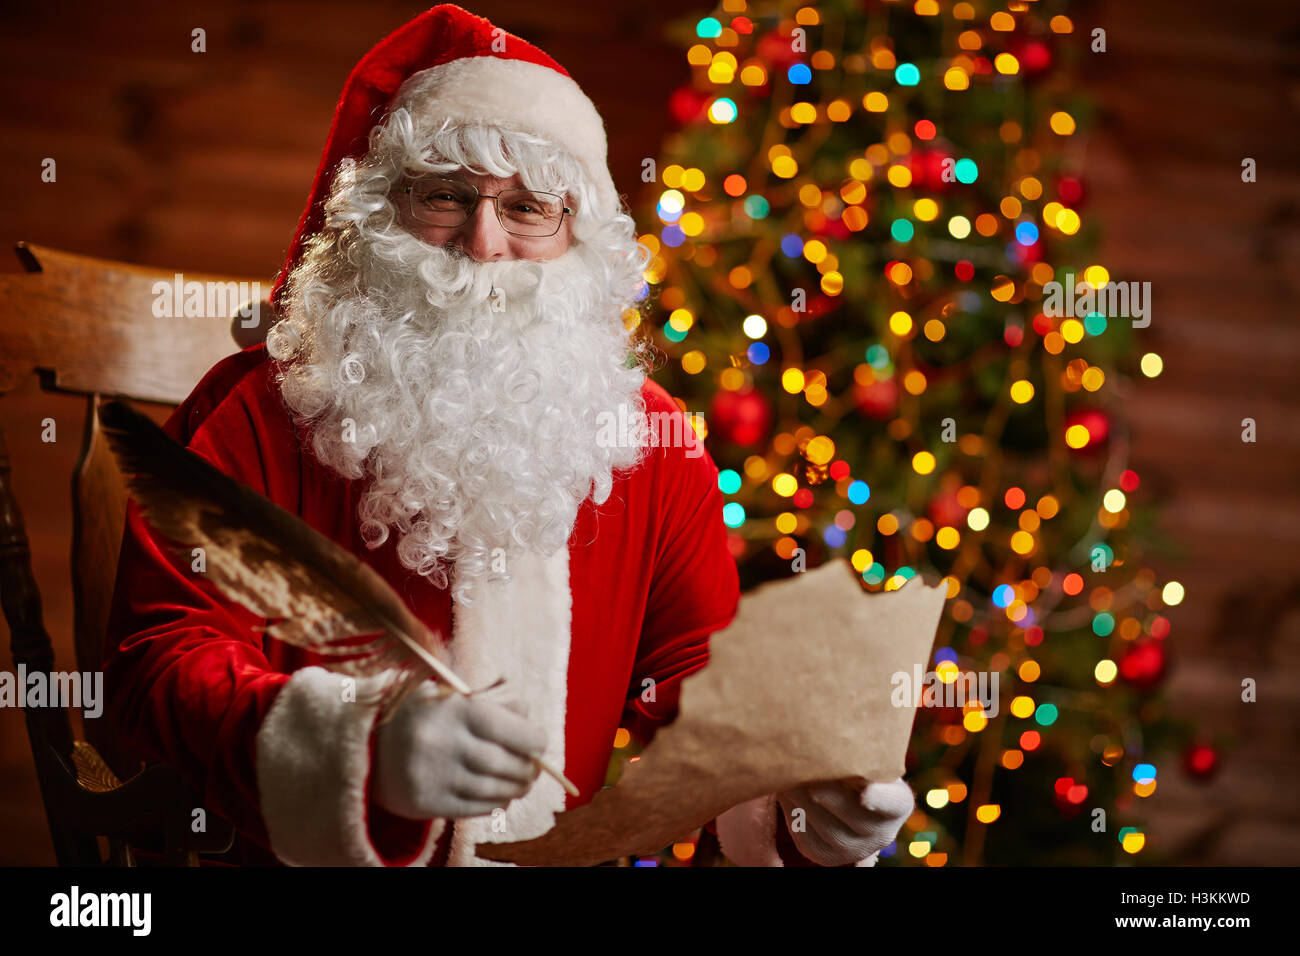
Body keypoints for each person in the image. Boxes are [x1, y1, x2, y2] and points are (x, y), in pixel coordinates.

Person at [102, 3, 913, 867]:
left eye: (528, 207)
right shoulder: (258, 409)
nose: (483, 246)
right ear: (378, 210)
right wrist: (360, 746)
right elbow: (160, 659)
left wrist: (796, 799)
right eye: (445, 194)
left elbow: (697, 679)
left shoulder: (649, 439)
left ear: (579, 237)